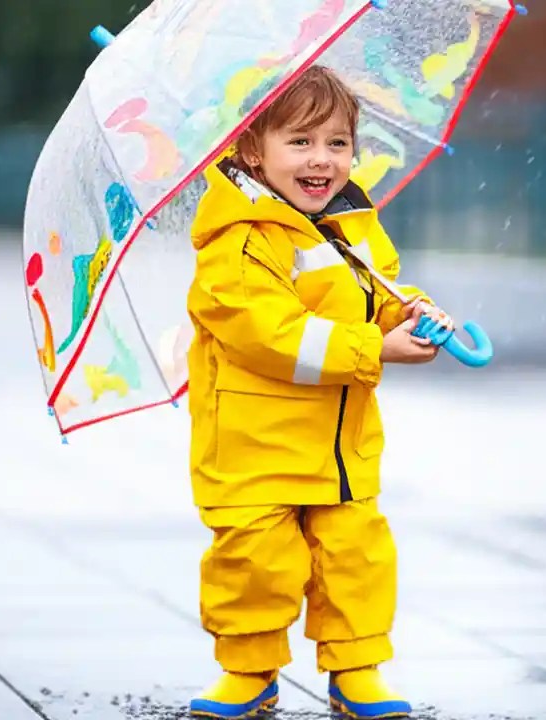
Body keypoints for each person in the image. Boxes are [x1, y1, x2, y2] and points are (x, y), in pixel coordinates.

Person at [184, 65, 451, 719]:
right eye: (299, 142)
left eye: (336, 142)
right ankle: (249, 671)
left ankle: (357, 667)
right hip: (254, 448)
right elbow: (271, 336)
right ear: (253, 151)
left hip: (339, 445)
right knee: (254, 560)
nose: (321, 160)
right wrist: (372, 350)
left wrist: (407, 316)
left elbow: (376, 291)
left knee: (355, 556)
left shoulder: (351, 223)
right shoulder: (238, 243)